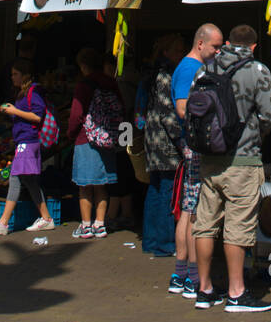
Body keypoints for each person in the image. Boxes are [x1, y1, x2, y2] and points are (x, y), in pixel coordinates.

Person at [194, 24, 271, 312]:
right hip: (242, 160)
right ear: (254, 46)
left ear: (229, 43)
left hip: (209, 159)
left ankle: (204, 289)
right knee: (238, 227)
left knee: (205, 223)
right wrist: (256, 134)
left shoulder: (205, 68)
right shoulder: (256, 70)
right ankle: (236, 292)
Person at [169, 24, 223, 296]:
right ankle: (191, 275)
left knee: (189, 209)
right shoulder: (191, 68)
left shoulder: (191, 67)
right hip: (195, 146)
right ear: (200, 43)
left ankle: (181, 274)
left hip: (192, 145)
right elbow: (181, 108)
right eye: (215, 46)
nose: (218, 51)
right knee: (194, 210)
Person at [0, 58, 55, 234]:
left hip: (28, 142)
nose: (12, 77)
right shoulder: (24, 92)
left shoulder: (33, 92)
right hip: (25, 140)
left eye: (15, 74)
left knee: (15, 178)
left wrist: (15, 111)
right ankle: (46, 219)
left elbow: (38, 116)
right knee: (28, 180)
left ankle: (3, 223)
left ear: (25, 75)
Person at [68, 46, 123, 240]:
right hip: (107, 138)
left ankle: (85, 225)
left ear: (83, 65)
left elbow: (76, 114)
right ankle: (100, 224)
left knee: (84, 185)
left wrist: (71, 133)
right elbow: (121, 108)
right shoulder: (111, 83)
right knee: (102, 185)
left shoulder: (84, 85)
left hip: (86, 138)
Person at [142, 34, 187, 255]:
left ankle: (151, 240)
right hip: (165, 144)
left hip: (153, 141)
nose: (181, 54)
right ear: (166, 53)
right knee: (168, 192)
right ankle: (165, 243)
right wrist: (182, 141)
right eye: (178, 50)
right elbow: (169, 113)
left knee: (156, 188)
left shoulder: (154, 75)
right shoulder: (166, 77)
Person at [102, 53, 136, 234]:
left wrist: (117, 139)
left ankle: (113, 215)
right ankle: (126, 213)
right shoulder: (130, 82)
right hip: (127, 132)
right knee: (124, 171)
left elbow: (122, 112)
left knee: (119, 171)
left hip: (122, 133)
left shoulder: (120, 85)